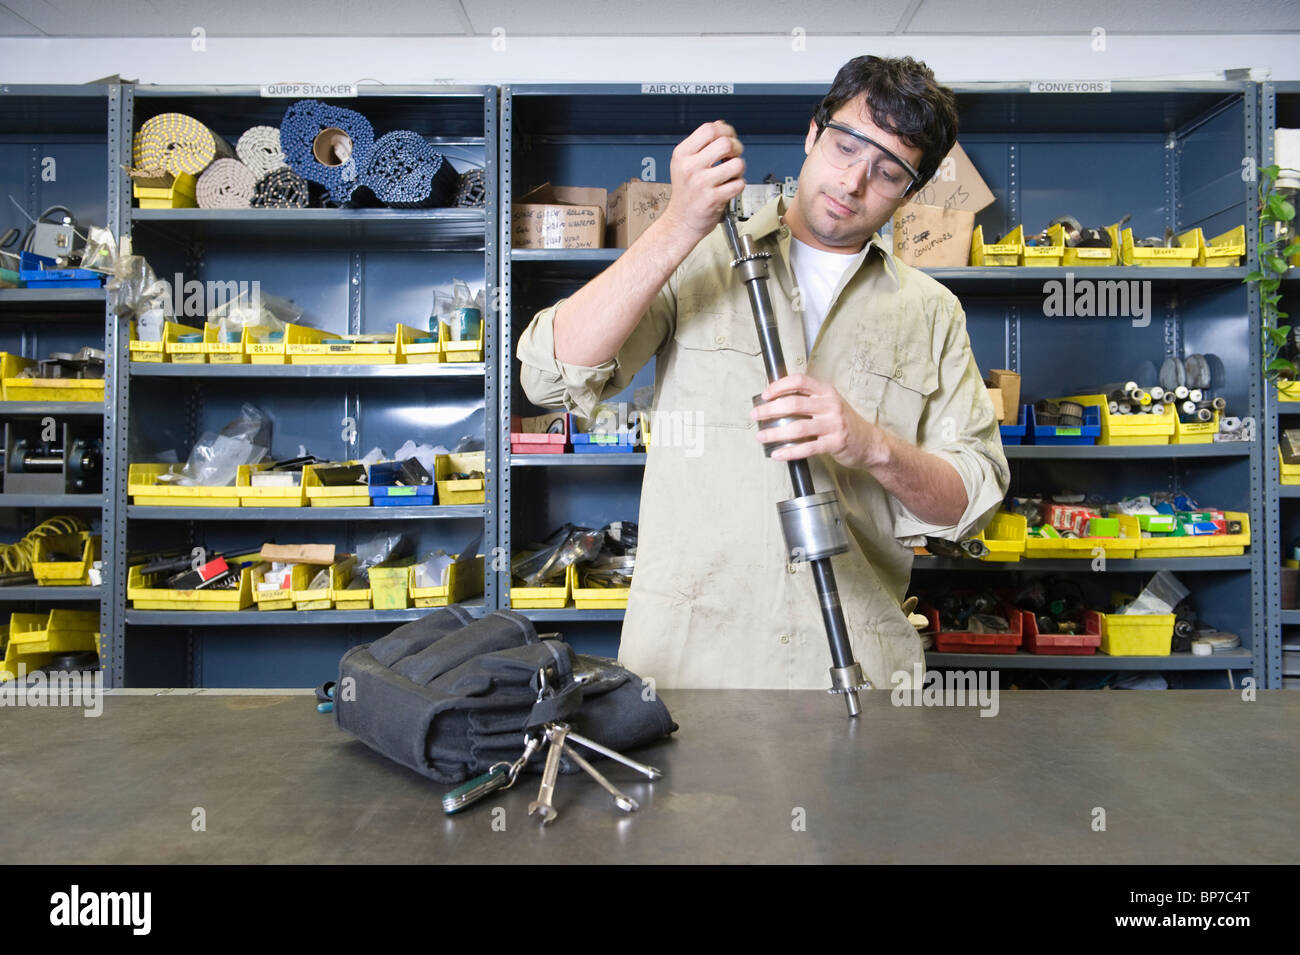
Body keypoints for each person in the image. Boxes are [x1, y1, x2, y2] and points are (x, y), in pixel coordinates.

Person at [517, 55, 1010, 691]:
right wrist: (680, 222)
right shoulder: (700, 252)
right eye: (846, 145)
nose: (855, 182)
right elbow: (548, 376)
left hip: (854, 667)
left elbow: (969, 506)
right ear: (813, 132)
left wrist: (874, 447)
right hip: (691, 666)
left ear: (912, 192)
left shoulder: (932, 312)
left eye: (888, 172)